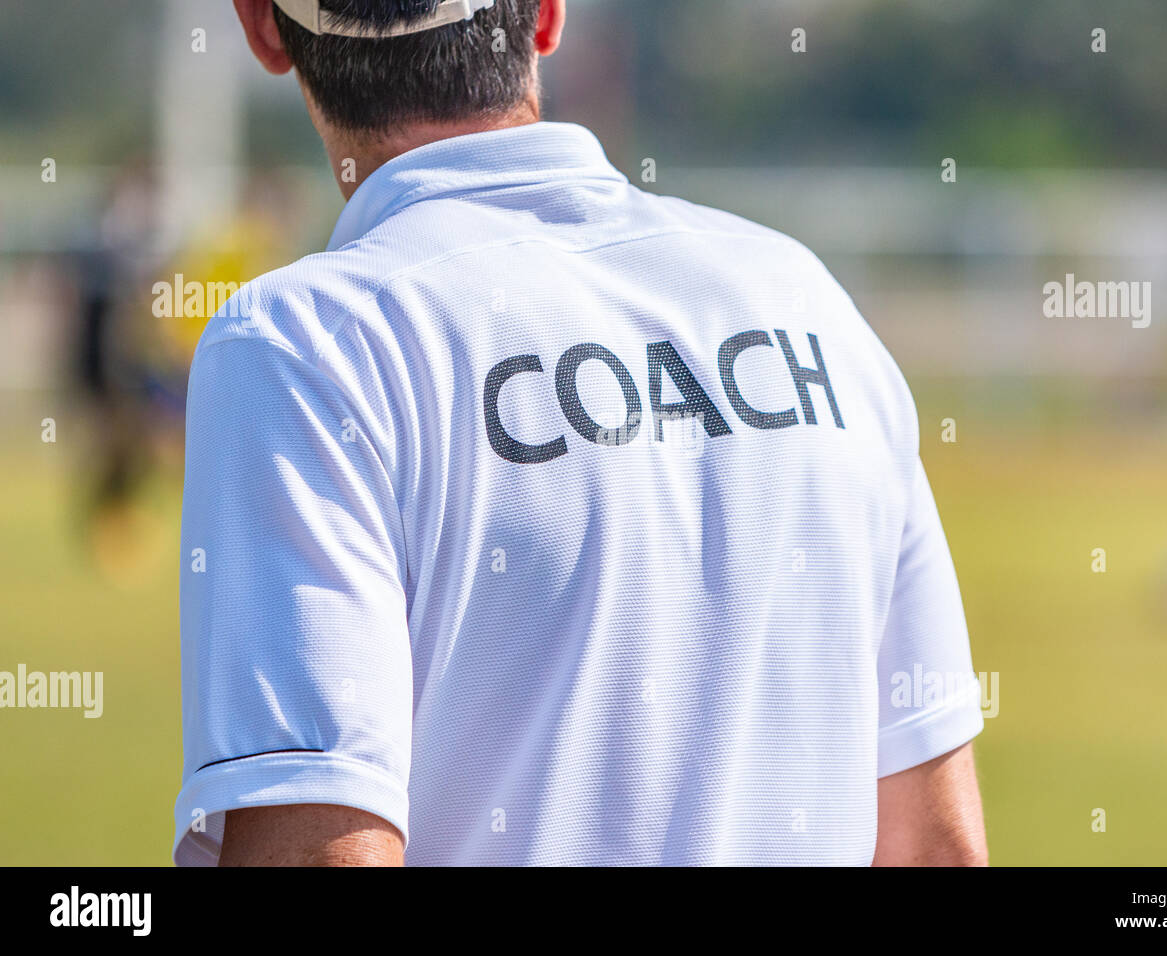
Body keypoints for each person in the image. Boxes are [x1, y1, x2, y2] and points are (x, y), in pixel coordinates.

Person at [174, 0, 987, 866]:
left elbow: (317, 854)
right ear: (549, 16)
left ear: (261, 26)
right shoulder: (806, 298)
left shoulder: (305, 341)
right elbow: (937, 845)